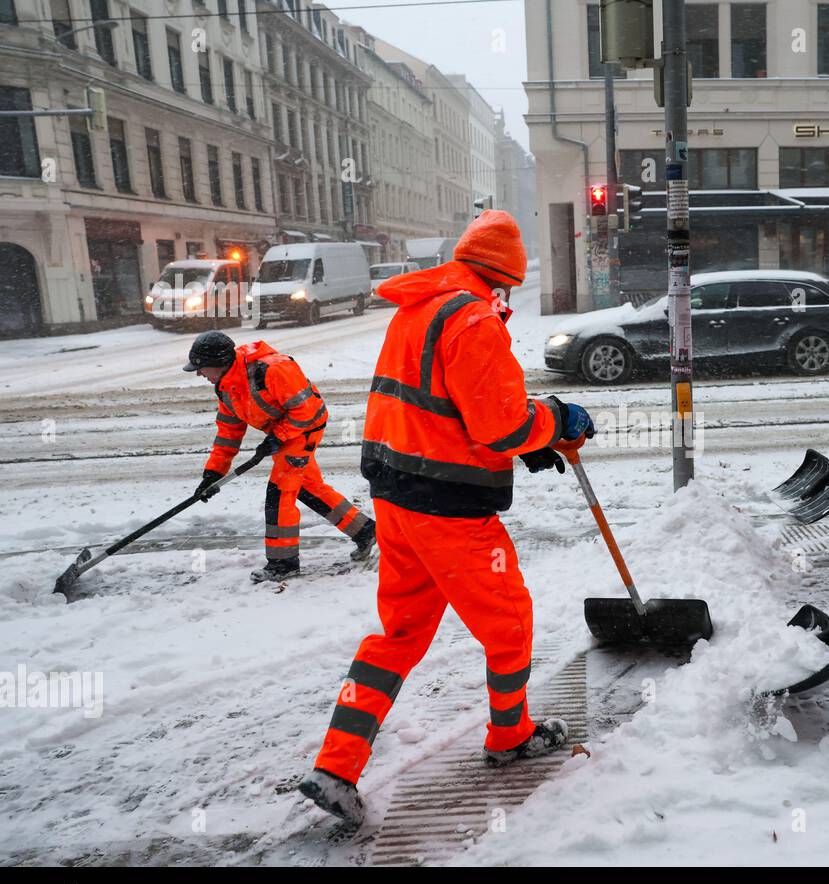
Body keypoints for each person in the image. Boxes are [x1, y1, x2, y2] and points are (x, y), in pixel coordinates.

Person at [298, 210, 595, 825]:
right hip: (448, 508)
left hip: (395, 496)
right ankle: (510, 736)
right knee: (509, 622)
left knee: (397, 635)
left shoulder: (420, 308)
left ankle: (335, 765)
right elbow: (502, 424)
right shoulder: (474, 318)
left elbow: (440, 404)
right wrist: (557, 421)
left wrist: (517, 438)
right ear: (505, 277)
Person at [185, 331, 375, 583]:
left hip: (304, 429)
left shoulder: (273, 370)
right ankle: (365, 531)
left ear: (219, 363)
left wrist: (278, 437)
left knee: (279, 495)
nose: (199, 374)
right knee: (308, 488)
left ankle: (283, 563)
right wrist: (213, 473)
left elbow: (306, 410)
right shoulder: (226, 387)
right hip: (282, 433)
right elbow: (228, 434)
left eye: (201, 368)